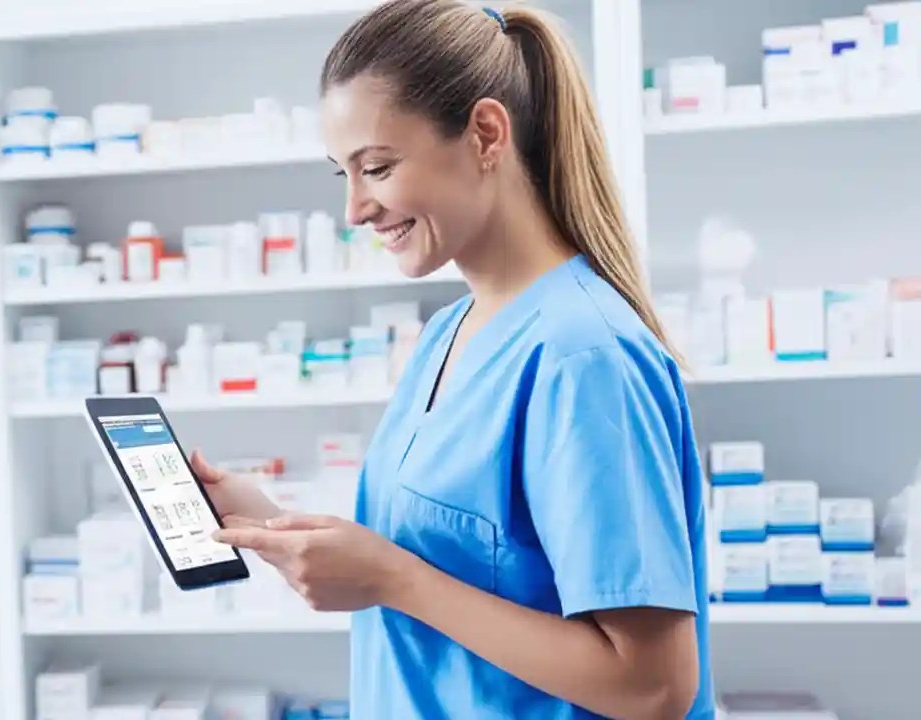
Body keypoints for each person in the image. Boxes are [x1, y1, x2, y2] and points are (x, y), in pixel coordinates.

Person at [191, 1, 712, 718]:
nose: (355, 210)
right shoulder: (449, 332)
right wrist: (272, 523)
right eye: (341, 174)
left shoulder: (582, 357)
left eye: (376, 167)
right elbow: (453, 564)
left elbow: (653, 686)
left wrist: (390, 580)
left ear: (486, 135)